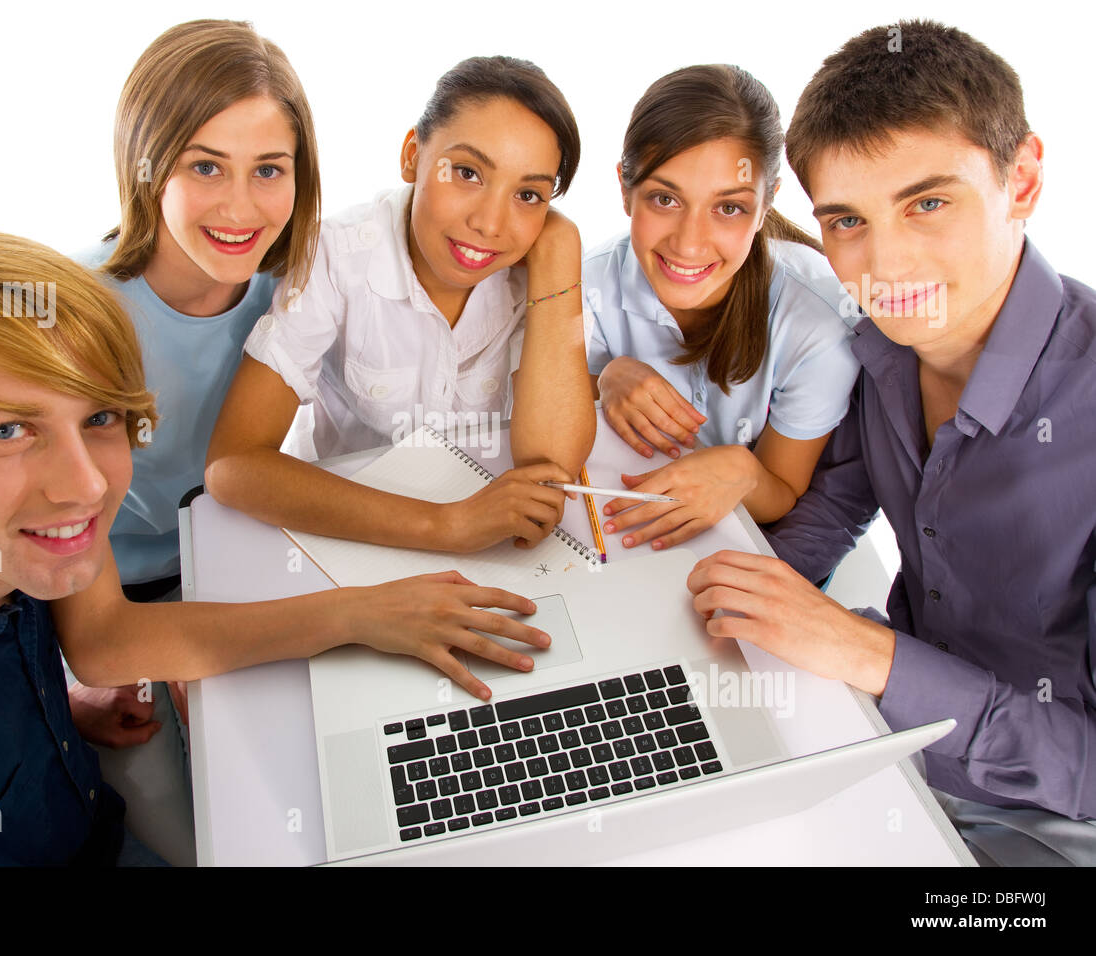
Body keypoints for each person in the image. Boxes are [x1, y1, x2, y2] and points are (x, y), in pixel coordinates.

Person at [0, 232, 552, 865]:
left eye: (100, 418)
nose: (88, 485)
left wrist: (42, 704)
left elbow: (106, 639)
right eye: (6, 431)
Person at [687, 20, 1096, 865]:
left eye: (928, 203)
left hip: (1054, 823)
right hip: (890, 749)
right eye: (846, 221)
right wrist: (692, 611)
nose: (885, 264)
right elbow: (829, 511)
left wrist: (864, 650)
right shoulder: (880, 356)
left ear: (1021, 180)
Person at [70, 18, 322, 864]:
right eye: (205, 166)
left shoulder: (297, 288)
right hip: (103, 600)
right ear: (147, 167)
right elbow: (90, 623)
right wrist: (161, 651)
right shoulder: (79, 318)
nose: (241, 207)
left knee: (304, 787)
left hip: (235, 562)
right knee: (183, 826)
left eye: (269, 170)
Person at [204, 55, 596, 554]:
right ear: (413, 155)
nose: (491, 224)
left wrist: (561, 251)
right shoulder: (339, 255)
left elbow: (552, 465)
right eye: (469, 173)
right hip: (351, 527)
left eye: (529, 194)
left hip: (483, 528)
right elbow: (232, 465)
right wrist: (445, 526)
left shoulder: (536, 268)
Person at [584, 65, 859, 552]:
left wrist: (745, 472)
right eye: (665, 199)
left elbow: (785, 492)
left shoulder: (818, 322)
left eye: (728, 207)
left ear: (766, 204)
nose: (690, 244)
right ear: (625, 191)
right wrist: (603, 379)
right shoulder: (587, 287)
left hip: (739, 540)